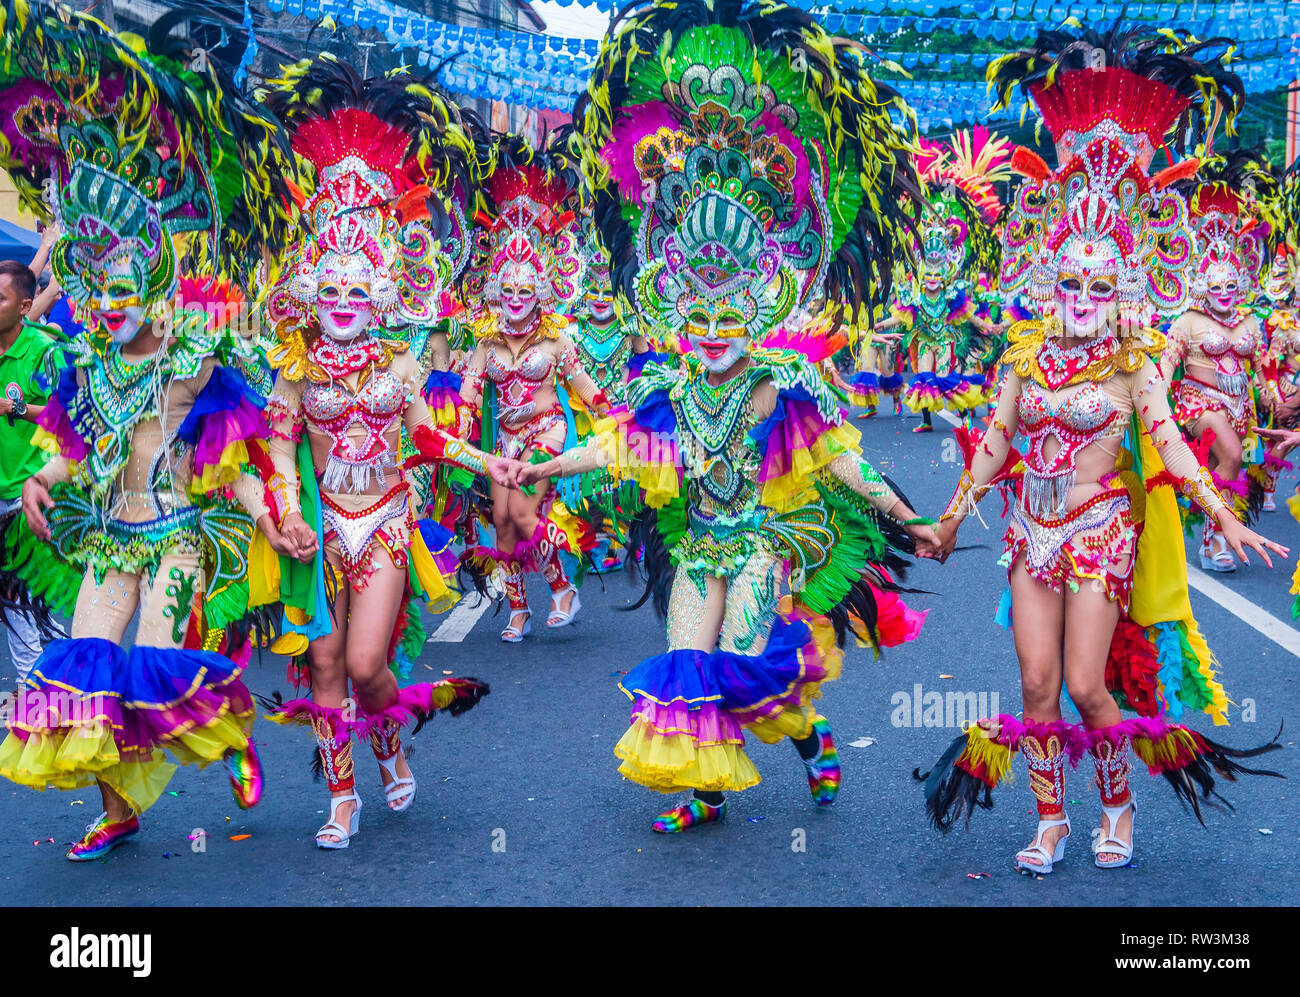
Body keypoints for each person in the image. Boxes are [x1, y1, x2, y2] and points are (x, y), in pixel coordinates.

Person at [550, 0, 937, 833]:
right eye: (701, 318)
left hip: (762, 540)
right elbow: (619, 447)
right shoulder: (676, 388)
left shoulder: (784, 383)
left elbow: (843, 462)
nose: (716, 335)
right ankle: (707, 792)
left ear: (761, 310)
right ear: (677, 309)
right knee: (689, 666)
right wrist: (539, 469)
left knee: (741, 674)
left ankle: (811, 737)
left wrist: (912, 519)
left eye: (733, 318)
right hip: (700, 539)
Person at [923, 29, 1288, 875]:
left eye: (1099, 283)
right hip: (1028, 533)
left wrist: (1221, 513)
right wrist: (947, 523)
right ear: (1048, 274)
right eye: (1070, 281)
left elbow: (1165, 442)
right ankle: (1052, 818)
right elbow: (995, 444)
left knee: (1088, 686)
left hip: (1098, 532)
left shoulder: (1132, 362)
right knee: (1037, 687)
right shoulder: (1021, 350)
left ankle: (1116, 805)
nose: (1082, 298)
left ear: (1123, 281)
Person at [0, 3, 298, 860]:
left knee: (161, 670)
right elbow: (70, 443)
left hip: (177, 536)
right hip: (110, 532)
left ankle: (234, 736)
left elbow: (232, 448)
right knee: (84, 672)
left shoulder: (190, 355)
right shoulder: (85, 361)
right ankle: (117, 808)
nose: (105, 303)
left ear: (151, 274)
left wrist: (272, 504)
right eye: (93, 287)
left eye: (120, 283)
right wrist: (39, 479)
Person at [259, 57, 508, 849]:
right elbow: (277, 445)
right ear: (309, 286)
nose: (339, 303)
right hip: (320, 526)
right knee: (324, 667)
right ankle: (341, 798)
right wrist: (288, 517)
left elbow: (427, 437)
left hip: (386, 522)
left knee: (368, 666)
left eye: (355, 290)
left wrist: (484, 461)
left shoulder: (398, 366)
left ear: (382, 292)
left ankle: (391, 740)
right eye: (327, 289)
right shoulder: (294, 367)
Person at [458, 136, 607, 642]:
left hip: (547, 431)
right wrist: (455, 441)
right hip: (504, 441)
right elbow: (468, 394)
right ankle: (520, 610)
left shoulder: (556, 339)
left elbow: (584, 385)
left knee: (522, 510)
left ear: (542, 292)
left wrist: (615, 415)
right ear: (495, 294)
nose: (516, 300)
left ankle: (563, 587)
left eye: (526, 291)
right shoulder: (486, 341)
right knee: (501, 521)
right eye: (508, 291)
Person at [1161, 152, 1278, 570]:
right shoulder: (1187, 321)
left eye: (1232, 284)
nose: (1225, 291)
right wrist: (1152, 406)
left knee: (1234, 467)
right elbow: (1165, 368)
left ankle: (1216, 534)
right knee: (1227, 453)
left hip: (1240, 406)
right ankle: (1215, 541)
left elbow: (1261, 363)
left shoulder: (1250, 319)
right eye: (1216, 285)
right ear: (1200, 283)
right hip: (1200, 404)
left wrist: (1270, 393)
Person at [0, 260, 66, 688]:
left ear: (25, 307)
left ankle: (63, 715)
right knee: (19, 618)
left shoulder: (44, 351)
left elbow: (74, 416)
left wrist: (19, 409)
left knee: (39, 613)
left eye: (0, 298)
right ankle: (42, 718)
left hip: (32, 503)